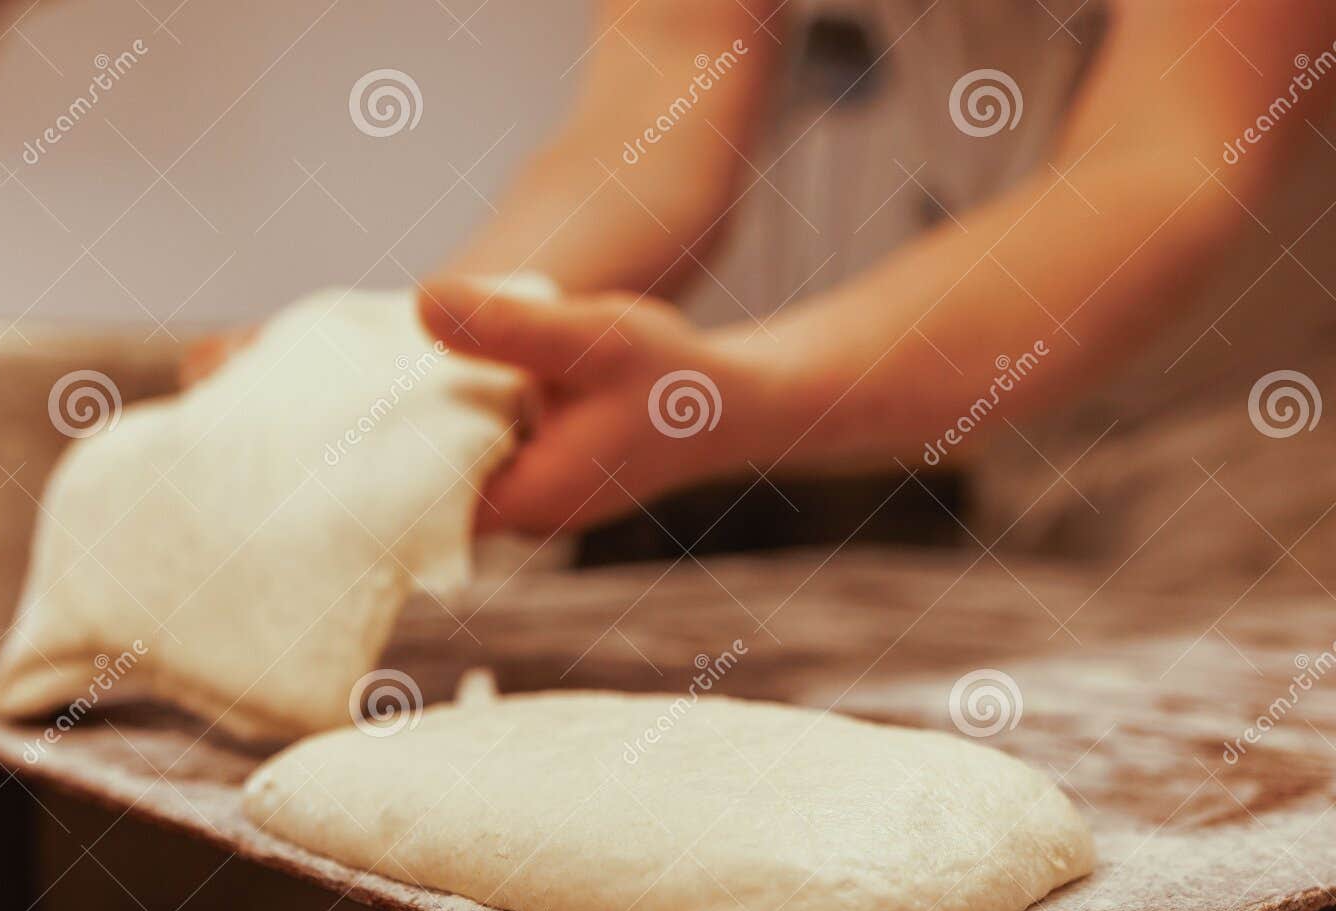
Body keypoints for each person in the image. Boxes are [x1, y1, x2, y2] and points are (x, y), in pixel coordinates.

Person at [192, 0, 1336, 561]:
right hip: (1018, 469)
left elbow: (1160, 157)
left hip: (1265, 473)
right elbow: (661, 99)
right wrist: (398, 357)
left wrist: (743, 390)